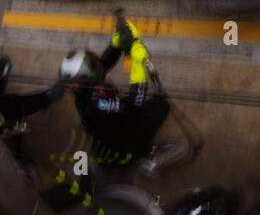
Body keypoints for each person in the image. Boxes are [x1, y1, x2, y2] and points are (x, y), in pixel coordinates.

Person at [57, 15, 182, 172]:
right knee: (161, 105)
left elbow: (103, 64)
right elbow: (135, 102)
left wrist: (117, 42)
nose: (98, 67)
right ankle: (145, 158)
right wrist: (138, 66)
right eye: (93, 68)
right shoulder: (97, 104)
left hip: (106, 131)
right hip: (120, 144)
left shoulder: (85, 87)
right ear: (85, 81)